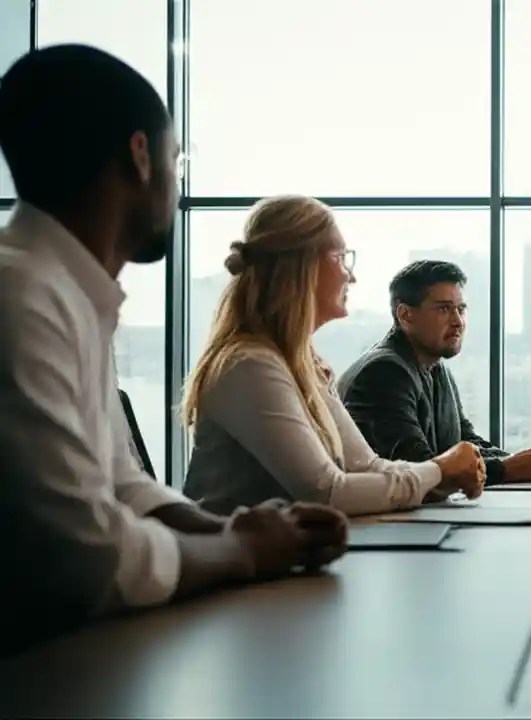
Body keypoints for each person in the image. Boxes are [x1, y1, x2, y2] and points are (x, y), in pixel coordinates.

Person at [0, 45, 348, 651]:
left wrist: (230, 528)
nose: (178, 185)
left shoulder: (67, 294)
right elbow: (89, 556)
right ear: (140, 157)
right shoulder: (23, 296)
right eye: (175, 160)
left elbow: (119, 483)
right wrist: (243, 550)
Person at [182, 195, 485, 516]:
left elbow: (366, 466)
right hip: (236, 561)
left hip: (279, 554)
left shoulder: (304, 366)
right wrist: (438, 471)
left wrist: (438, 473)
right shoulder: (250, 367)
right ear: (302, 267)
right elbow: (327, 492)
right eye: (341, 258)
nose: (350, 276)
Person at [338, 260, 531, 484]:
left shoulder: (436, 367)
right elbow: (418, 467)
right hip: (385, 517)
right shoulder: (383, 373)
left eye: (461, 309)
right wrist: (506, 469)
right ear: (405, 315)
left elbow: (463, 441)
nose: (458, 321)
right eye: (444, 309)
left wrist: (522, 461)